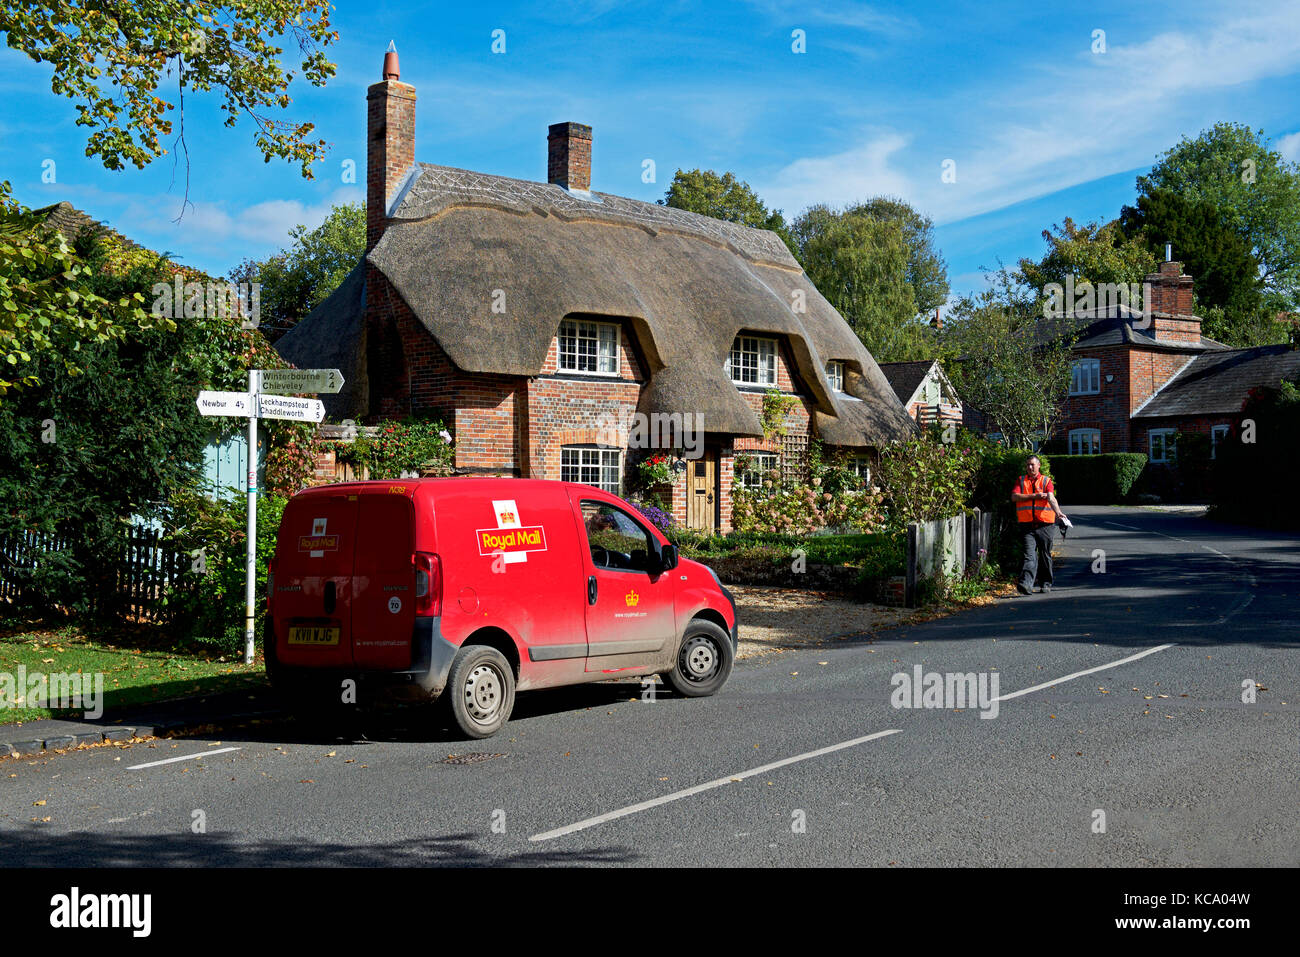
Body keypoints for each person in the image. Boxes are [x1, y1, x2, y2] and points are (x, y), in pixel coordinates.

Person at [1010, 454, 1061, 594]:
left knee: (1045, 554)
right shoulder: (1021, 481)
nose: (1030, 467)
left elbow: (1051, 497)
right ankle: (1026, 584)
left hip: (1045, 525)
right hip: (1027, 525)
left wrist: (1058, 513)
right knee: (1029, 555)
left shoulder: (1046, 481)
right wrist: (1035, 496)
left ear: (1039, 466)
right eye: (1028, 465)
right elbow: (1014, 497)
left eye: (1032, 464)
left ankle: (1045, 583)